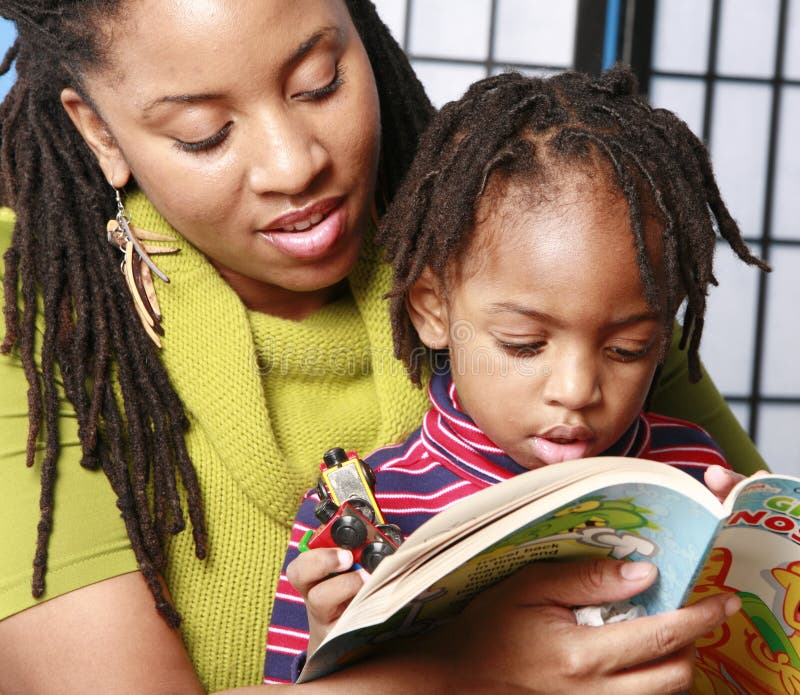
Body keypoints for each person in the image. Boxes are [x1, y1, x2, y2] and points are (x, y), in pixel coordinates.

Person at [0, 1, 761, 693]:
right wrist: (460, 669)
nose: (295, 164)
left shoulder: (529, 229)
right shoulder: (32, 296)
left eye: (319, 83)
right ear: (100, 130)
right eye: (205, 132)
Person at [264, 66, 769, 684]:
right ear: (433, 311)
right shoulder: (361, 512)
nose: (576, 391)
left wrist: (756, 560)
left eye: (628, 349)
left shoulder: (690, 468)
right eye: (524, 345)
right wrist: (327, 651)